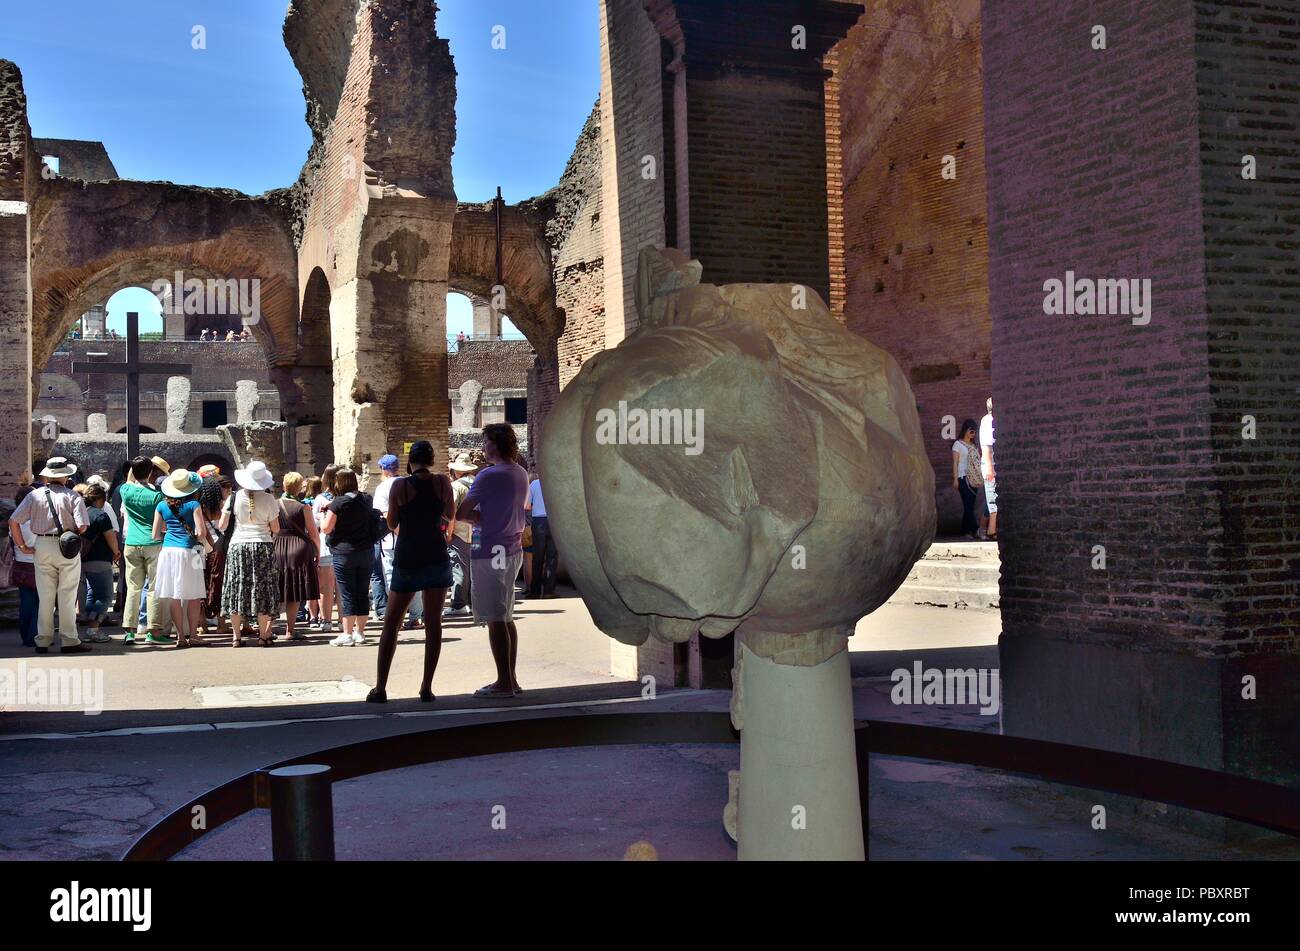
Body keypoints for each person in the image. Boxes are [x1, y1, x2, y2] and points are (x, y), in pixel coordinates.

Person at [367, 441, 454, 703]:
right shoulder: (442, 483)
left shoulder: (400, 486)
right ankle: (426, 687)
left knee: (392, 623)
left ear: (410, 461)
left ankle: (380, 687)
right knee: (433, 623)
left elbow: (392, 521)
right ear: (430, 459)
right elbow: (449, 514)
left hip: (408, 555)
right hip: (436, 554)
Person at [455, 423, 529, 697]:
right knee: (506, 615)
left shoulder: (488, 476)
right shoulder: (520, 471)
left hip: (490, 548)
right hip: (512, 547)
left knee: (496, 617)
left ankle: (504, 682)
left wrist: (478, 519)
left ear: (495, 444)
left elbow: (462, 512)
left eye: (485, 442)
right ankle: (510, 678)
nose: (482, 447)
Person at [10, 457, 91, 654]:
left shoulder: (33, 496)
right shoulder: (73, 496)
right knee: (67, 594)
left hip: (42, 546)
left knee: (45, 595)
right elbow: (82, 526)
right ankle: (69, 639)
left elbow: (14, 520)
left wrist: (21, 545)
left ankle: (43, 640)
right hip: (66, 547)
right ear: (65, 476)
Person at [220, 461, 281, 647]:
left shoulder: (234, 497)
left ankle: (236, 637)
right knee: (262, 590)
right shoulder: (270, 500)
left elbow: (222, 525)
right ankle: (263, 636)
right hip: (262, 546)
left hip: (238, 546)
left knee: (236, 589)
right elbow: (275, 528)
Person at [152, 469, 210, 648]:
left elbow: (155, 534)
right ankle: (193, 634)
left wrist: (170, 533)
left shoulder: (161, 506)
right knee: (194, 596)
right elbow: (201, 533)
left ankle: (180, 637)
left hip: (168, 551)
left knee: (174, 596)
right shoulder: (194, 504)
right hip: (190, 551)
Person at [119, 456, 172, 645]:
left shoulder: (125, 490)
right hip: (153, 543)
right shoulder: (157, 496)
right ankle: (153, 631)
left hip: (131, 543)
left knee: (133, 588)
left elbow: (129, 479)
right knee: (153, 588)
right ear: (150, 473)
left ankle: (130, 631)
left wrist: (136, 466)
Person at [322, 468, 376, 647]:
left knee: (347, 594)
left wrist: (324, 514)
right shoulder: (366, 499)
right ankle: (360, 632)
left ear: (341, 482)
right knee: (362, 592)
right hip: (366, 551)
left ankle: (347, 633)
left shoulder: (338, 503)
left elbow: (326, 528)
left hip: (344, 553)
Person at [275, 472, 320, 641]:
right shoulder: (303, 507)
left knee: (277, 586)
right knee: (294, 591)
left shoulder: (274, 504)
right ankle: (290, 631)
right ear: (299, 487)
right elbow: (314, 533)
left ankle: (267, 628)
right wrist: (317, 552)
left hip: (277, 546)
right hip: (299, 548)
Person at [79, 483, 120, 642]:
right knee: (105, 596)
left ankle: (90, 626)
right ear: (101, 499)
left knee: (92, 594)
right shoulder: (101, 516)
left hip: (84, 559)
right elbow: (111, 537)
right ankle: (93, 629)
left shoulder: (82, 514)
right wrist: (116, 552)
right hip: (100, 559)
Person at [443, 453, 478, 617]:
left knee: (459, 568)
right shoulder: (478, 483)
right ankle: (473, 602)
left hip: (460, 532)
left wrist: (449, 534)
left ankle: (458, 604)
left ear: (457, 471)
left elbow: (452, 514)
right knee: (474, 569)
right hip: (478, 531)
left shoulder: (456, 487)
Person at [197, 473, 231, 636]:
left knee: (200, 586)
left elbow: (202, 533)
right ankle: (221, 624)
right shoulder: (224, 506)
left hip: (201, 550)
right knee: (220, 585)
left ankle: (201, 624)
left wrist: (209, 544)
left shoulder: (198, 508)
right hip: (221, 550)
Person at [311, 466, 340, 633]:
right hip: (342, 544)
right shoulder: (342, 497)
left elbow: (315, 525)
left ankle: (326, 620)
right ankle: (343, 620)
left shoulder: (320, 499)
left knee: (325, 586)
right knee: (341, 586)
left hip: (325, 543)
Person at [11, 486, 39, 647]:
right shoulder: (35, 520)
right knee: (39, 603)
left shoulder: (15, 521)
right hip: (37, 564)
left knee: (26, 602)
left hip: (20, 564)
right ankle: (33, 635)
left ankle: (25, 635)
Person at [525, 470, 558, 599]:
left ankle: (535, 591)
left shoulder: (534, 484)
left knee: (537, 557)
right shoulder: (556, 484)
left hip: (538, 522)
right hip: (554, 521)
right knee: (552, 557)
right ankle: (549, 591)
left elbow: (527, 506)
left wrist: (537, 505)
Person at [951, 419, 982, 540]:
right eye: (971, 430)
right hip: (963, 478)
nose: (973, 433)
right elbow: (955, 463)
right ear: (965, 430)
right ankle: (975, 529)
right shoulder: (957, 445)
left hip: (974, 478)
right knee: (968, 505)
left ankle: (966, 531)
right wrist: (955, 479)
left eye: (975, 431)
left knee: (969, 506)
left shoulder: (974, 445)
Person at [980, 397, 998, 541]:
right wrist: (990, 467)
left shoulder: (989, 420)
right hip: (990, 462)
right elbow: (986, 445)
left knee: (992, 497)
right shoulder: (988, 421)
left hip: (991, 462)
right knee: (993, 497)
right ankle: (991, 531)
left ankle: (989, 529)